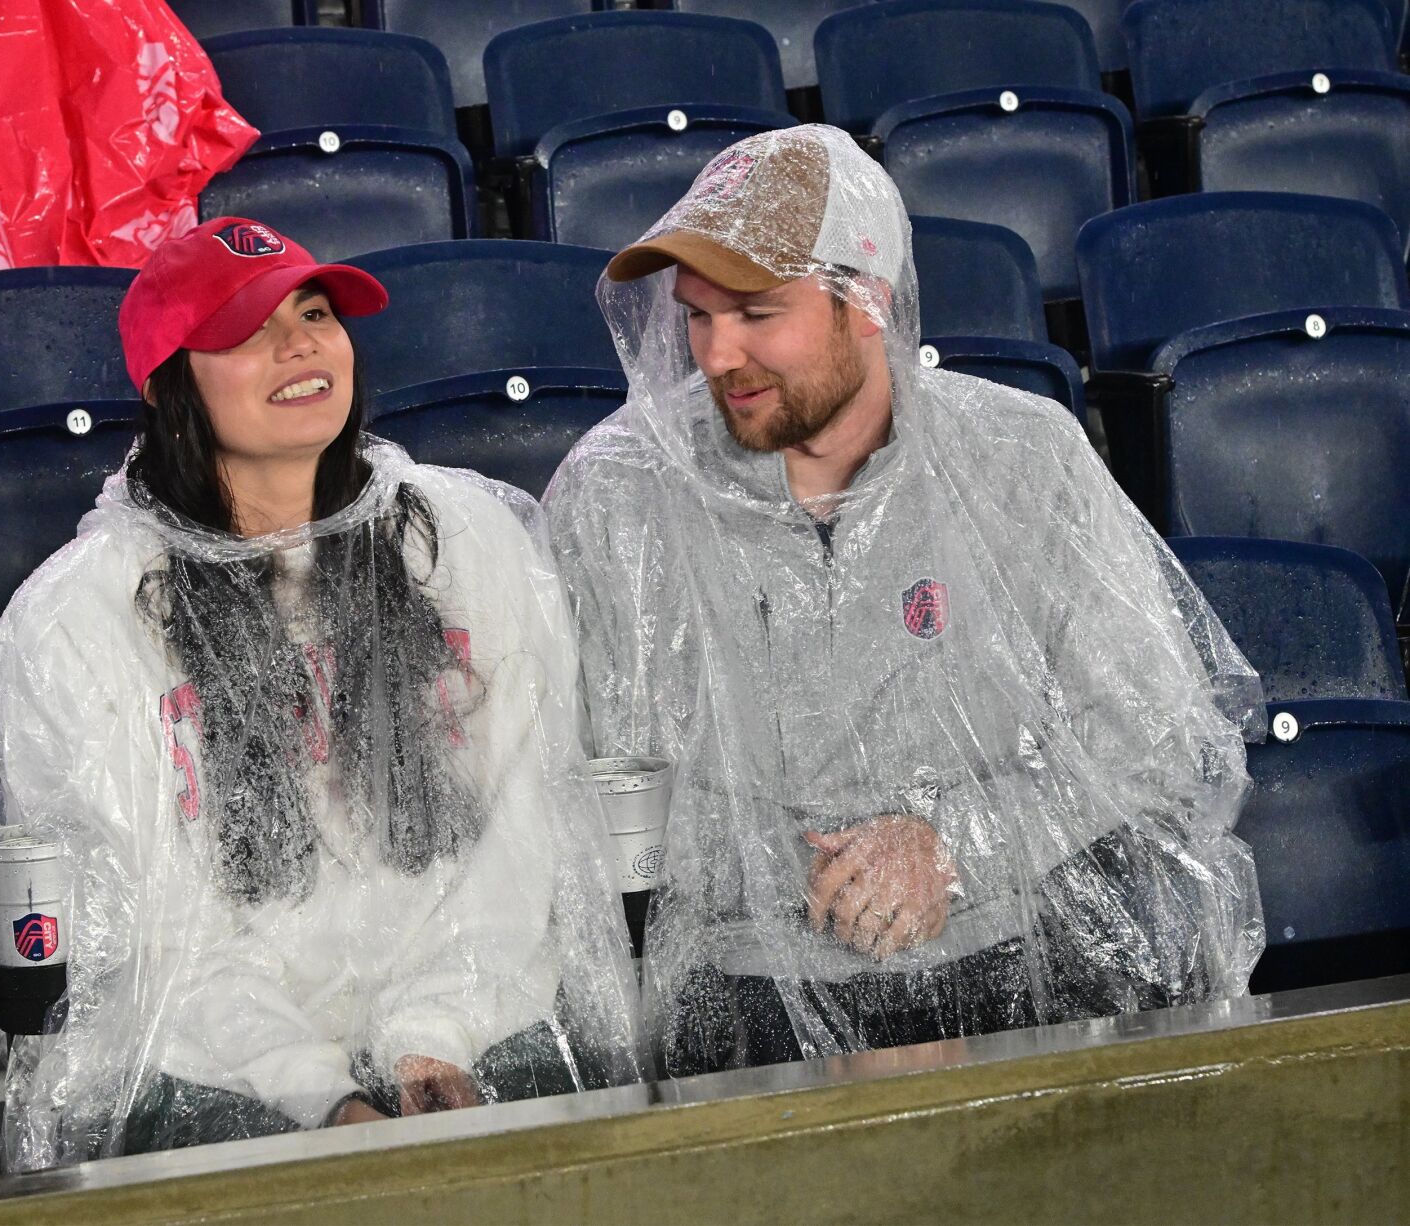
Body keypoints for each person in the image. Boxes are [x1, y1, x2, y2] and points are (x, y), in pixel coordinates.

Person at [542, 127, 1266, 1075]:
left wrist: (951, 848)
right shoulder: (617, 494)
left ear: (867, 300)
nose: (719, 355)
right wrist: (822, 877)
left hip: (1013, 953)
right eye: (697, 317)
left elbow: (1157, 733)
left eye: (758, 313)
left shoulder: (1021, 457)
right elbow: (582, 789)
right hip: (739, 988)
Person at [0, 217, 642, 1171]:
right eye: (248, 330)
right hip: (225, 1063)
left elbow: (525, 828)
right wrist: (318, 1094)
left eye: (317, 313)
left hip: (474, 1009)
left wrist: (434, 1033)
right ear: (170, 389)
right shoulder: (79, 619)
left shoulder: (464, 542)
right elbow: (153, 931)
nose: (301, 345)